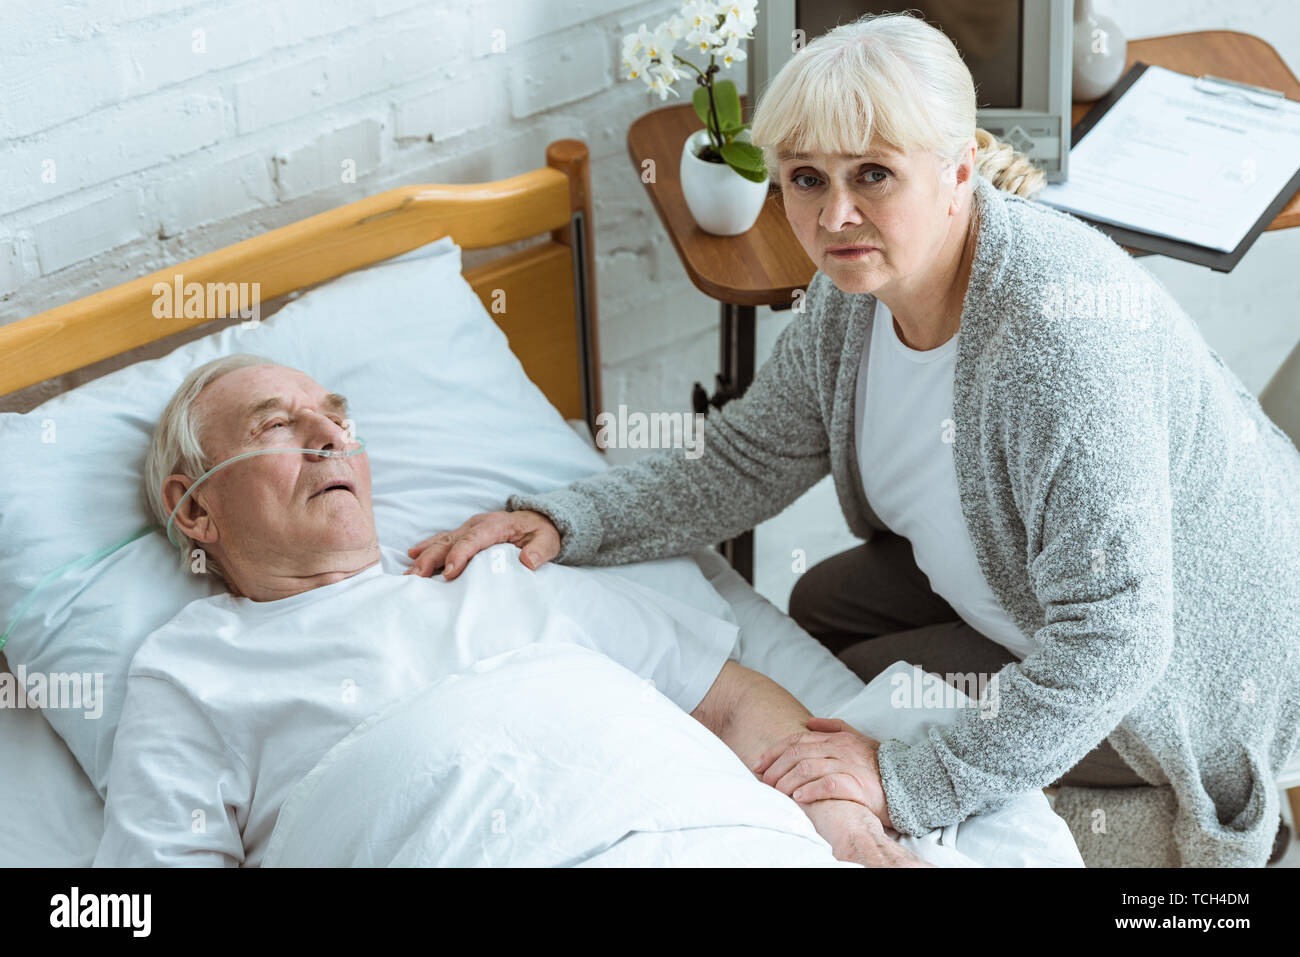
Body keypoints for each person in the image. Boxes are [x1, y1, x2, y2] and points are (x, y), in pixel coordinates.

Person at [406, 12, 1300, 867]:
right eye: (806, 178)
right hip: (1052, 598)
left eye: (873, 174)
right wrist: (568, 522)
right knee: (827, 623)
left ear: (959, 169)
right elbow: (747, 457)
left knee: (866, 736)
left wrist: (902, 776)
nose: (833, 216)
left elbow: (1117, 641)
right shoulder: (852, 298)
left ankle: (1180, 830)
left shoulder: (1054, 344)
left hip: (1198, 662)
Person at [94, 355, 926, 867]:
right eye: (277, 425)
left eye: (338, 417)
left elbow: (731, 696)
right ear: (194, 508)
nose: (328, 436)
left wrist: (846, 830)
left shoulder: (492, 569)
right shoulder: (192, 669)